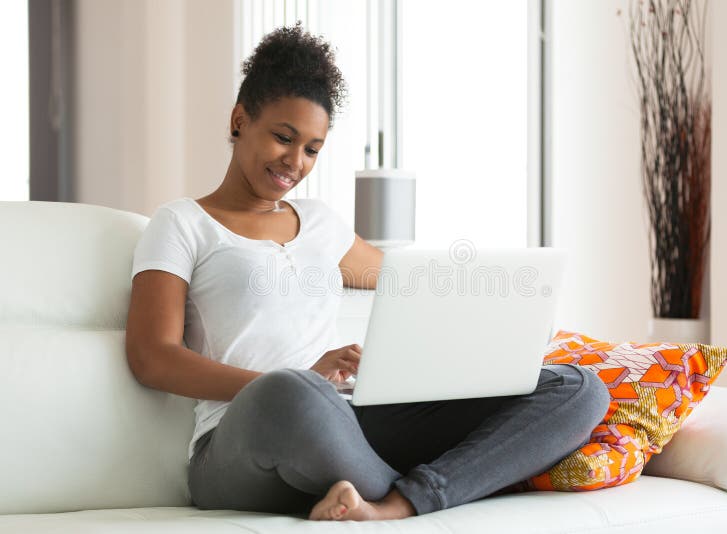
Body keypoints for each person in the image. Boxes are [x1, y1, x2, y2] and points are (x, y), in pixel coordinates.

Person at [125, 23, 610, 522]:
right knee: (291, 391)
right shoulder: (182, 223)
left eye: (312, 149)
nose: (295, 162)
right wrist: (301, 376)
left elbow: (408, 282)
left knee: (579, 388)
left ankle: (396, 504)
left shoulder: (320, 223)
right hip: (242, 441)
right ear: (239, 120)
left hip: (344, 421)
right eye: (283, 138)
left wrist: (505, 308)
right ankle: (415, 490)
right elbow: (152, 357)